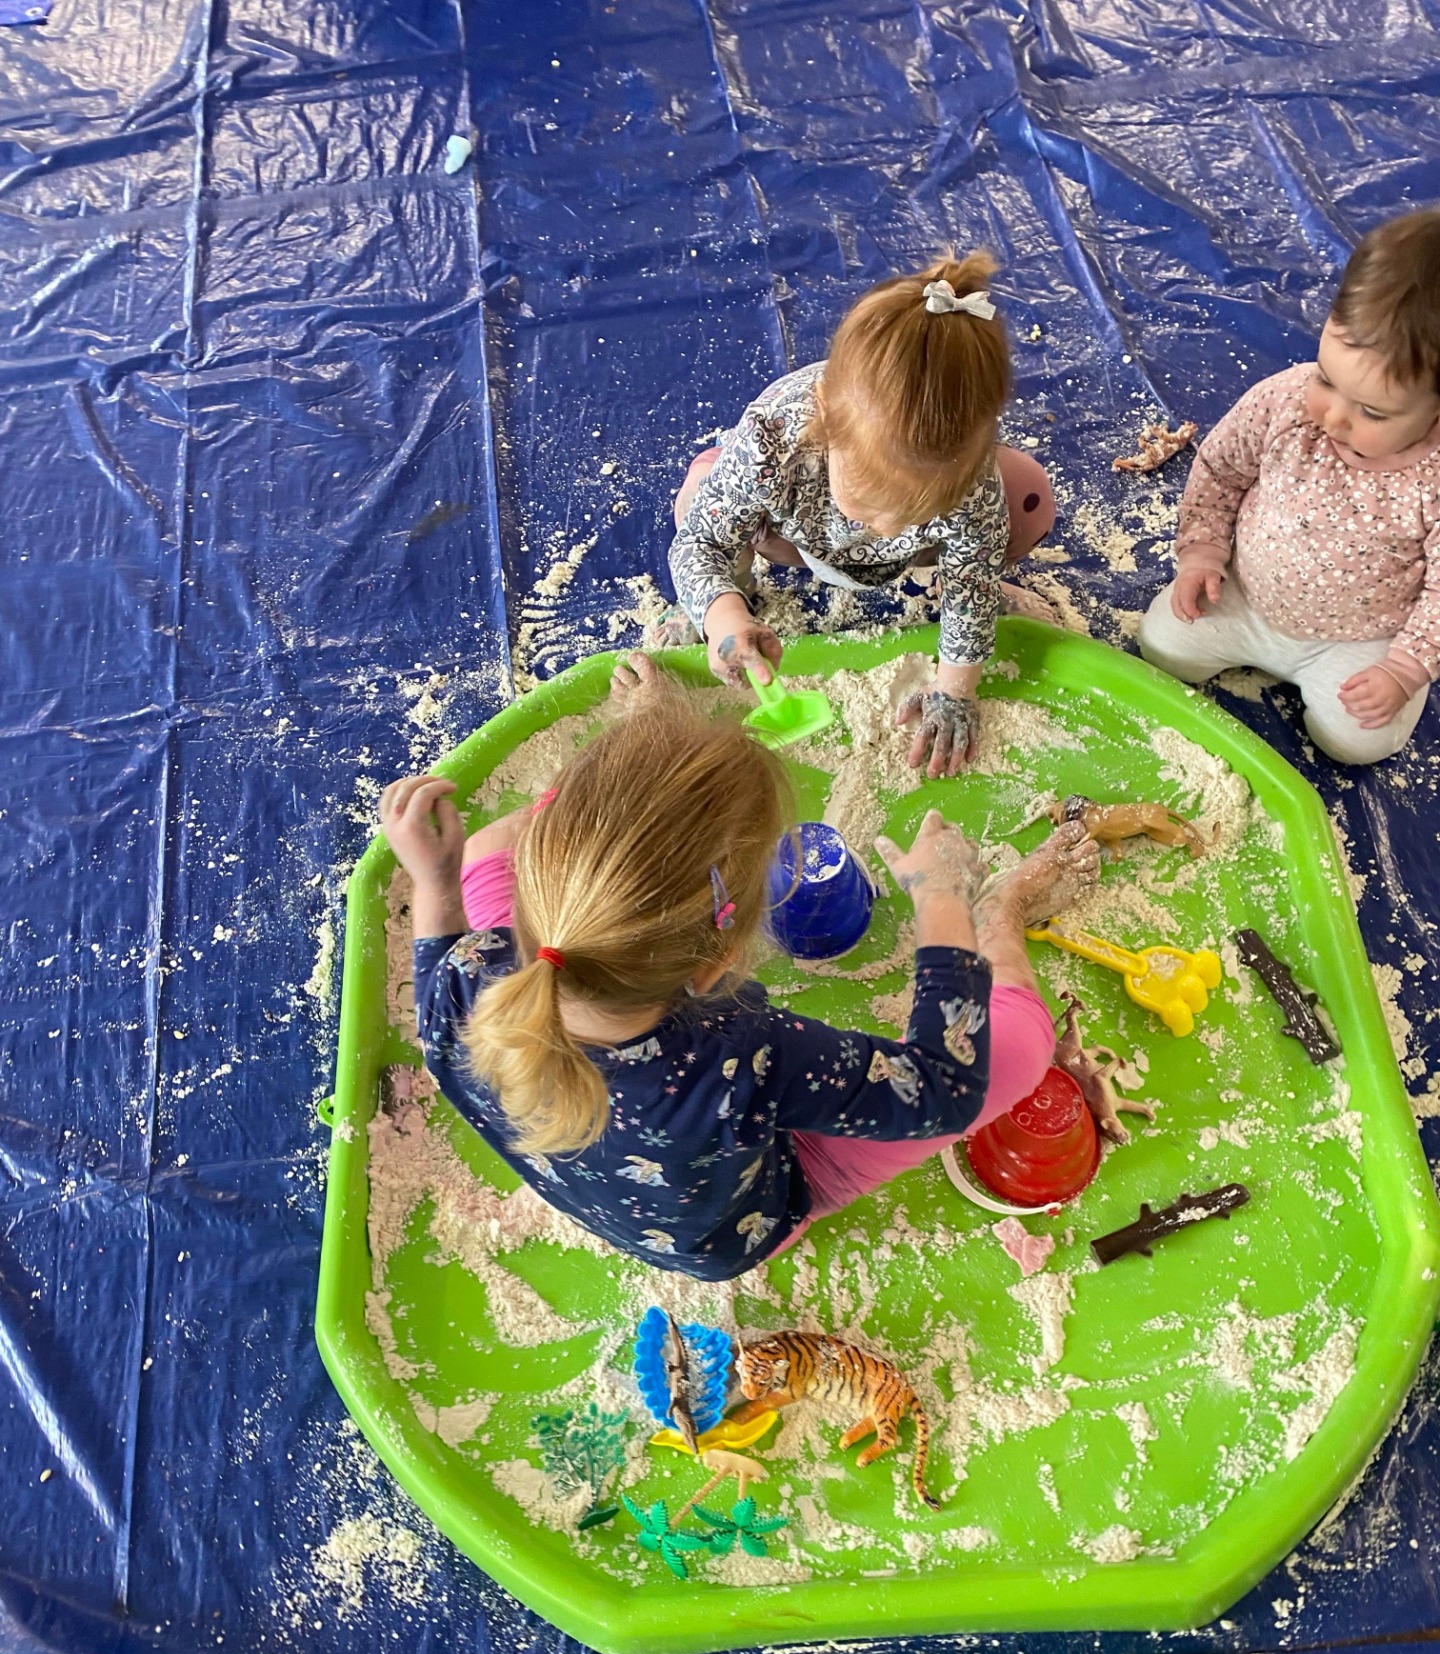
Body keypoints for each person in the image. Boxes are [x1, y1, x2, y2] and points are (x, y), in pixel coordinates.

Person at [378, 655, 1098, 1285]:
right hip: (734, 1226)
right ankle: (1005, 919)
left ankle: (620, 804)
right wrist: (947, 905)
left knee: (485, 850)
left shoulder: (470, 978)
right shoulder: (741, 1052)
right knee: (1021, 1050)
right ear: (719, 962)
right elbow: (941, 1091)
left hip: (600, 1180)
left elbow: (453, 937)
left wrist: (436, 880)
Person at [665, 251, 1055, 779]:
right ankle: (728, 597)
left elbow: (968, 585)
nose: (891, 527)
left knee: (1026, 501)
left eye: (919, 509)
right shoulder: (773, 442)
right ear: (824, 423)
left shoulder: (974, 481)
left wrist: (955, 687)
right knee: (703, 502)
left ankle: (958, 572)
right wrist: (722, 617)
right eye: (873, 504)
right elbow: (700, 542)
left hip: (903, 559)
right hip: (792, 537)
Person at [1139, 206, 1440, 765]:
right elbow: (1220, 470)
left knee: (1356, 741)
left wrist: (1404, 668)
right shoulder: (1286, 400)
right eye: (1327, 377)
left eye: (1372, 411)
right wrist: (1201, 554)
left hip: (1358, 638)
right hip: (1242, 595)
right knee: (1161, 645)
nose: (1333, 415)